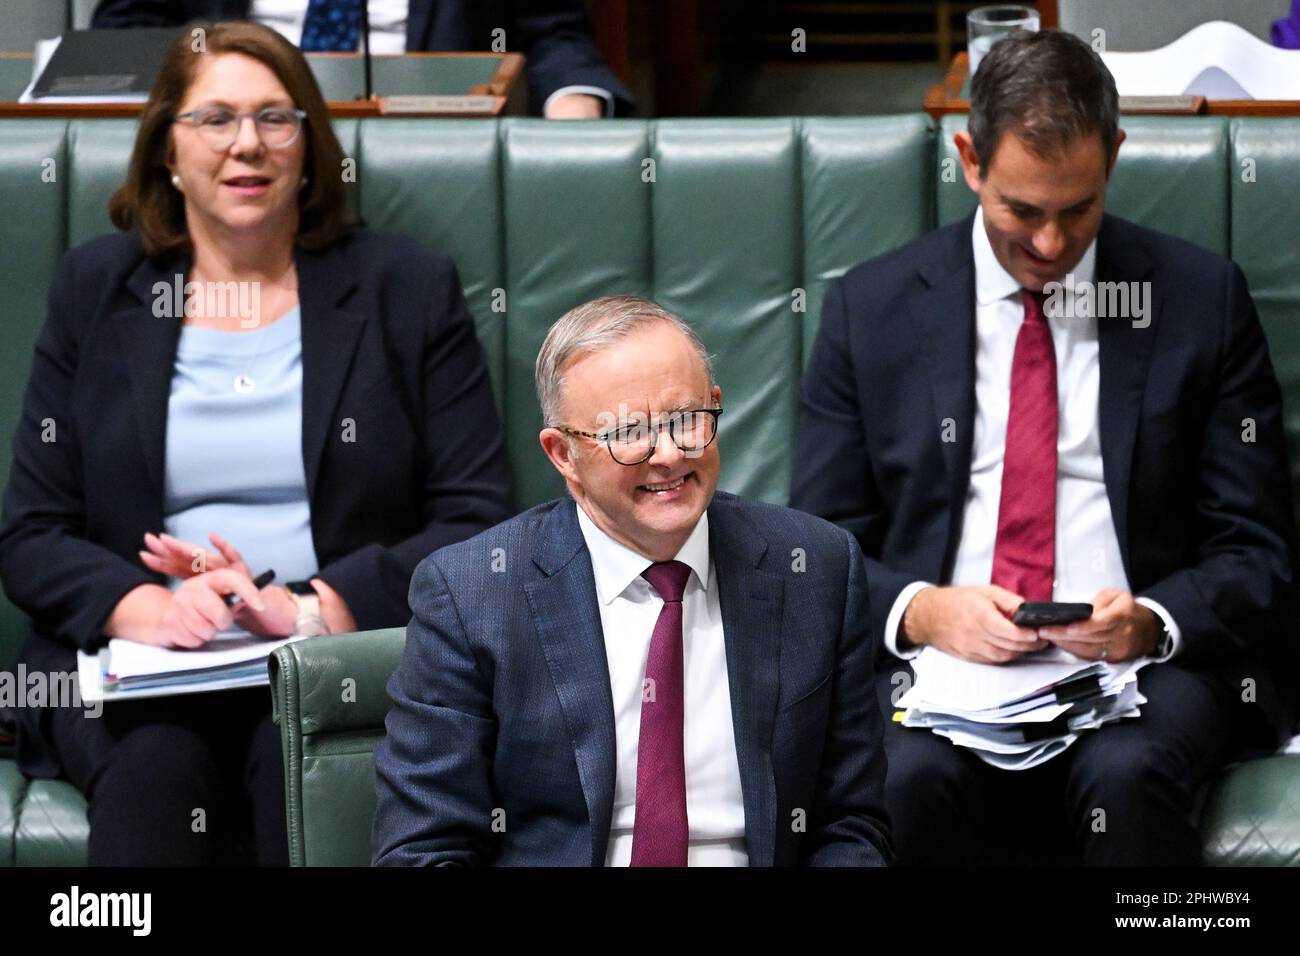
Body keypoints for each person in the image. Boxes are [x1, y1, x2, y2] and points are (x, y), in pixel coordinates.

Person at [0, 20, 513, 865]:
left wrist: (310, 610)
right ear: (167, 146)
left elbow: (474, 521)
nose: (249, 144)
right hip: (140, 670)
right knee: (156, 767)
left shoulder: (404, 287)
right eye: (216, 119)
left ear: (310, 146)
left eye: (278, 119)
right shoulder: (97, 290)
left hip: (326, 659)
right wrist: (157, 610)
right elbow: (32, 535)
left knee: (296, 766)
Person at [791, 30, 1297, 866]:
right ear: (970, 160)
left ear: (1115, 158)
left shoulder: (1200, 301)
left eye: (1078, 210)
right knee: (906, 778)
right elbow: (816, 548)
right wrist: (921, 610)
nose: (1052, 246)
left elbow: (1258, 551)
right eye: (1022, 212)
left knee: (1126, 775)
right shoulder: (871, 311)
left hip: (1143, 673)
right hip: (942, 665)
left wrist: (1152, 622)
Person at [372, 295, 892, 866]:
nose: (667, 455)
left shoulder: (815, 567)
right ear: (563, 454)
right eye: (628, 433)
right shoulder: (471, 594)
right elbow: (424, 848)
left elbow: (849, 822)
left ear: (716, 407)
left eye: (686, 420)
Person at [91, 0, 635, 118]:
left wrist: (574, 110)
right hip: (239, 135)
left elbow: (554, 37)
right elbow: (124, 30)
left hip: (424, 145)